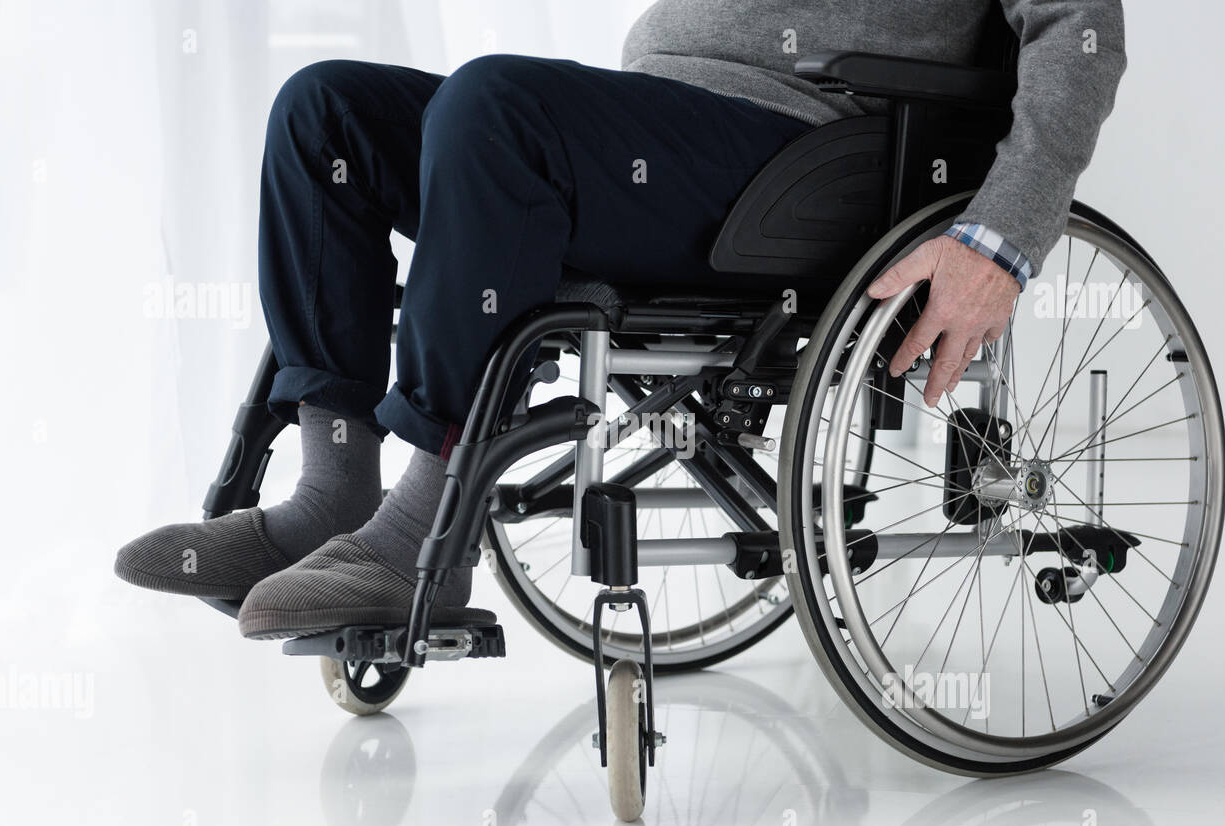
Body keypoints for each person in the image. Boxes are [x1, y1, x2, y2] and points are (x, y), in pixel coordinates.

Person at [115, 0, 1127, 639]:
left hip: (810, 152)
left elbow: (1083, 26)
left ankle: (420, 535)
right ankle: (331, 496)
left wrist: (1000, 240)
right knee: (325, 111)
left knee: (495, 108)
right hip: (664, 122)